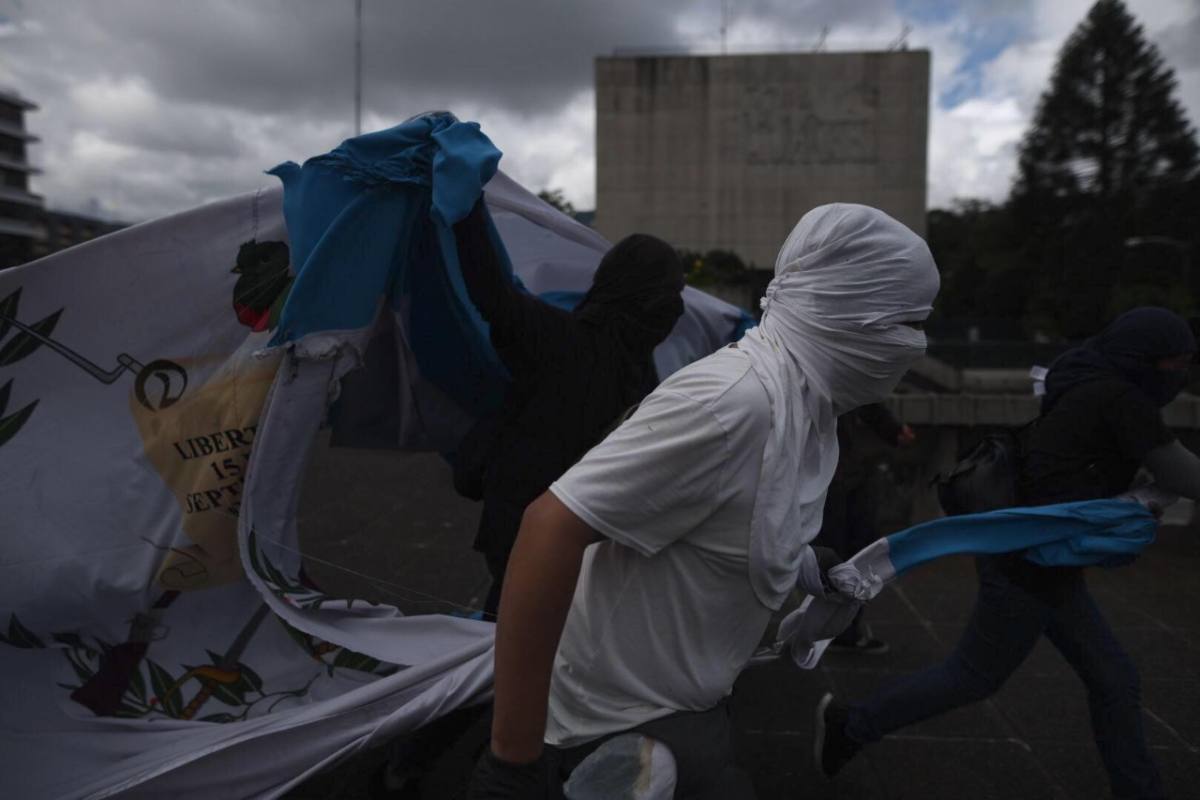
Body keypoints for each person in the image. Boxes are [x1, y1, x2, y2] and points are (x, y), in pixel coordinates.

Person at [467, 203, 940, 799]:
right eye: (902, 321)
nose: (915, 344)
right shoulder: (734, 403)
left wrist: (804, 563)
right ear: (841, 310)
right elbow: (548, 527)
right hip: (614, 722)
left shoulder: (806, 405)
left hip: (684, 707)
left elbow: (729, 516)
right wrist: (511, 762)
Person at [815, 306, 1200, 800]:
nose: (1179, 373)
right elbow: (1183, 475)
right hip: (1029, 565)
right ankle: (850, 726)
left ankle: (1138, 789)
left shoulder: (1084, 376)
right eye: (1174, 363)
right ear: (1143, 360)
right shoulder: (1120, 399)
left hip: (1040, 557)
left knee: (1115, 681)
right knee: (974, 676)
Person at [452, 199, 686, 619]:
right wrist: (465, 208)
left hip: (588, 540)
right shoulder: (559, 340)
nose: (675, 309)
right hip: (526, 534)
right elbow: (493, 293)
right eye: (667, 294)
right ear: (639, 293)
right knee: (506, 647)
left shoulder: (640, 368)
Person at [817, 403, 917, 654]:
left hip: (840, 468)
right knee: (844, 550)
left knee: (847, 548)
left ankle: (837, 628)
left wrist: (891, 428)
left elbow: (862, 393)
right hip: (834, 472)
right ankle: (836, 629)